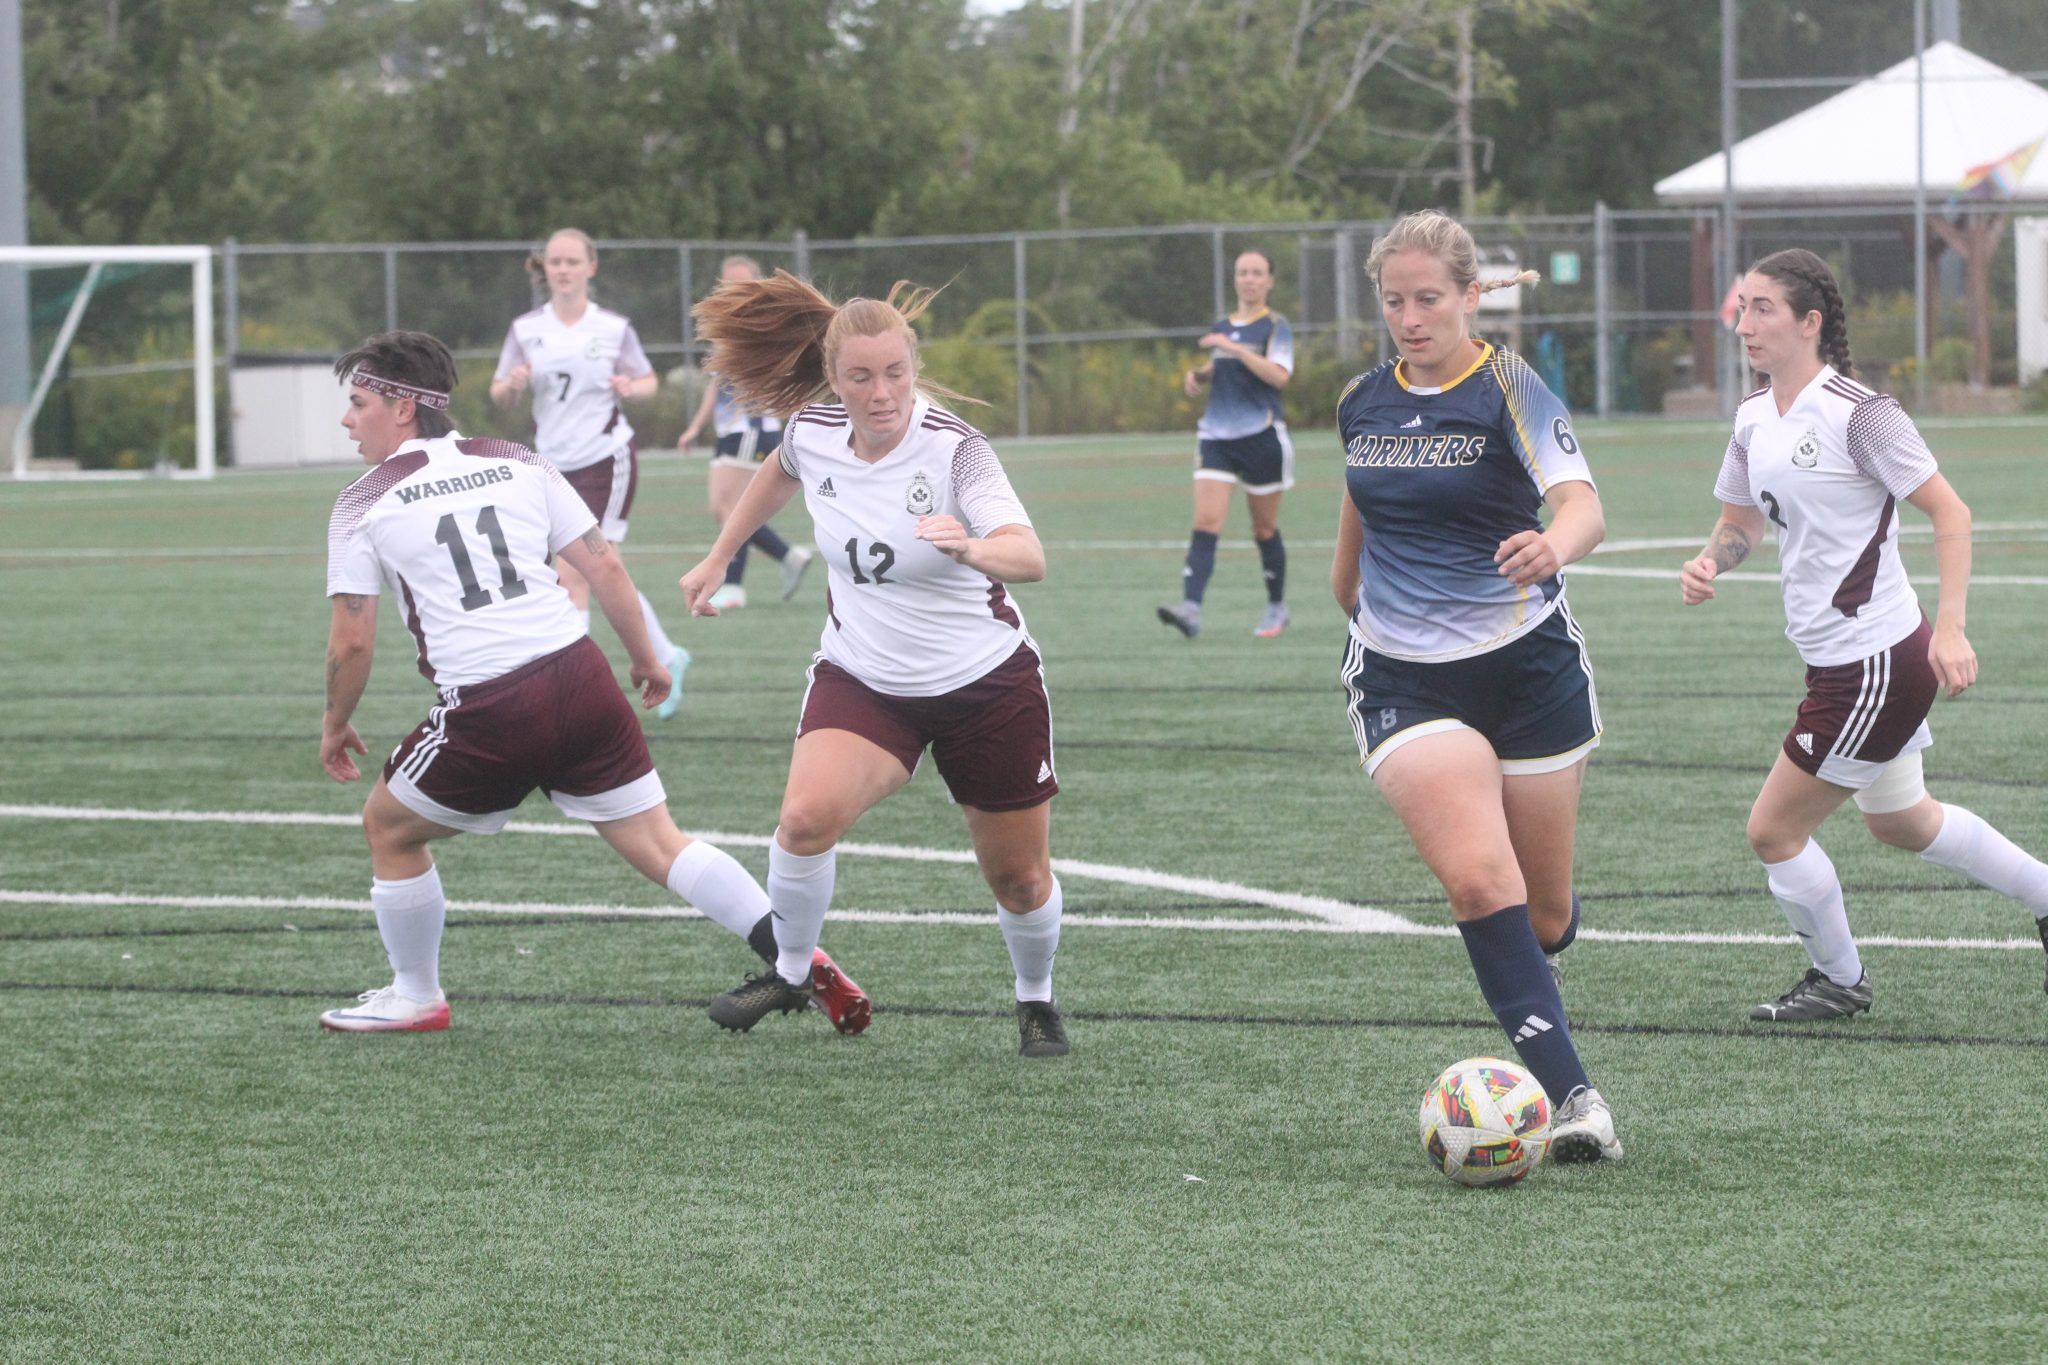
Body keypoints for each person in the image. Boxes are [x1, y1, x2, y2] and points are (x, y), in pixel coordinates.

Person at [318, 329, 868, 1035]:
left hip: (490, 703)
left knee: (388, 827)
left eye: (358, 403)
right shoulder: (516, 457)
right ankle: (797, 956)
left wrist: (335, 723)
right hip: (581, 677)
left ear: (402, 407)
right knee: (662, 843)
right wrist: (646, 660)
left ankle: (416, 995)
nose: (347, 420)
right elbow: (604, 565)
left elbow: (352, 640)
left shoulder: (363, 500)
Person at [677, 271, 1068, 1059]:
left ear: (913, 367)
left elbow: (1029, 556)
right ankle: (792, 972)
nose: (881, 393)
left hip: (985, 685)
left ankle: (1036, 998)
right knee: (803, 820)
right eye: (860, 377)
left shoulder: (956, 448)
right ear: (833, 377)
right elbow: (778, 470)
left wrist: (971, 546)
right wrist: (720, 555)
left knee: (1020, 880)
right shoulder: (814, 431)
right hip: (865, 678)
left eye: (895, 372)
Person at [1680, 248, 2048, 1021]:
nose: (1744, 324)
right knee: (1902, 819)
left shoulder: (1860, 412)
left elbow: (1951, 512)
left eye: (1763, 308)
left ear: (1810, 322)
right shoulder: (1753, 417)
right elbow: (1741, 519)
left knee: (1772, 830)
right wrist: (1712, 560)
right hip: (1837, 661)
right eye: (1743, 308)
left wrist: (1952, 629)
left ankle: (1839, 979)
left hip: (1874, 661)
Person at [1333, 210, 1619, 1161]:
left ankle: (1539, 953)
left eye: (1428, 299)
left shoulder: (1509, 386)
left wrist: (1553, 545)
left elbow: (1581, 504)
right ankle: (1575, 1100)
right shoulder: (1362, 401)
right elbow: (1358, 521)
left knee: (1542, 913)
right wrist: (1356, 600)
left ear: (1467, 296)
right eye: (1393, 301)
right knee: (1477, 877)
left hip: (1528, 668)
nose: (1410, 318)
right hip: (1404, 679)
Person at [489, 227, 690, 720]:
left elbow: (647, 379)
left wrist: (632, 387)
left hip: (606, 458)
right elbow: (500, 393)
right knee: (588, 572)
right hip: (551, 465)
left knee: (583, 571)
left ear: (590, 267)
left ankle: (572, 693)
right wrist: (512, 386)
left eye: (572, 261)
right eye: (555, 261)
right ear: (545, 269)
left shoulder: (612, 328)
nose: (562, 269)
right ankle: (666, 655)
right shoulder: (526, 329)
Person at [1159, 248, 1295, 640]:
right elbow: (1221, 366)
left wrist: (1234, 349)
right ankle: (1190, 609)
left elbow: (1279, 376)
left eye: (1256, 272)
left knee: (1264, 528)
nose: (1248, 279)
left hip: (1262, 436)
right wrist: (1200, 375)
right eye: (1242, 272)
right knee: (1206, 522)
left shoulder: (1275, 326)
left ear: (1269, 281)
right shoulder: (1223, 325)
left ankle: (1276, 606)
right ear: (1235, 279)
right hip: (1216, 436)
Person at [676, 255, 815, 610]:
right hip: (730, 432)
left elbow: (779, 375)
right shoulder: (727, 321)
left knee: (732, 509)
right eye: (726, 282)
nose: (732, 288)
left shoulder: (762, 325)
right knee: (722, 508)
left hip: (751, 429)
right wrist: (695, 427)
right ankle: (786, 555)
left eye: (740, 281)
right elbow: (716, 385)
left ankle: (735, 585)